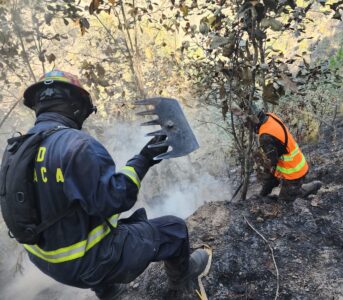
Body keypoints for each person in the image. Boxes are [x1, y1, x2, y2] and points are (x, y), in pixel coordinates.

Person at [16, 70, 209, 299]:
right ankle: (184, 280)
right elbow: (116, 199)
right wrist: (144, 159)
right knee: (175, 230)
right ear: (76, 105)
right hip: (87, 263)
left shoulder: (16, 150)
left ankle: (110, 293)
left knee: (85, 223)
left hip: (44, 261)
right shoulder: (76, 145)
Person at [255, 111, 320, 201]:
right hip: (299, 162)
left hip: (294, 173)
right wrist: (263, 194)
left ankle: (310, 187)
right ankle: (299, 188)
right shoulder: (270, 116)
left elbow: (272, 163)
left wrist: (263, 191)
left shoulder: (265, 136)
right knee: (272, 181)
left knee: (284, 202)